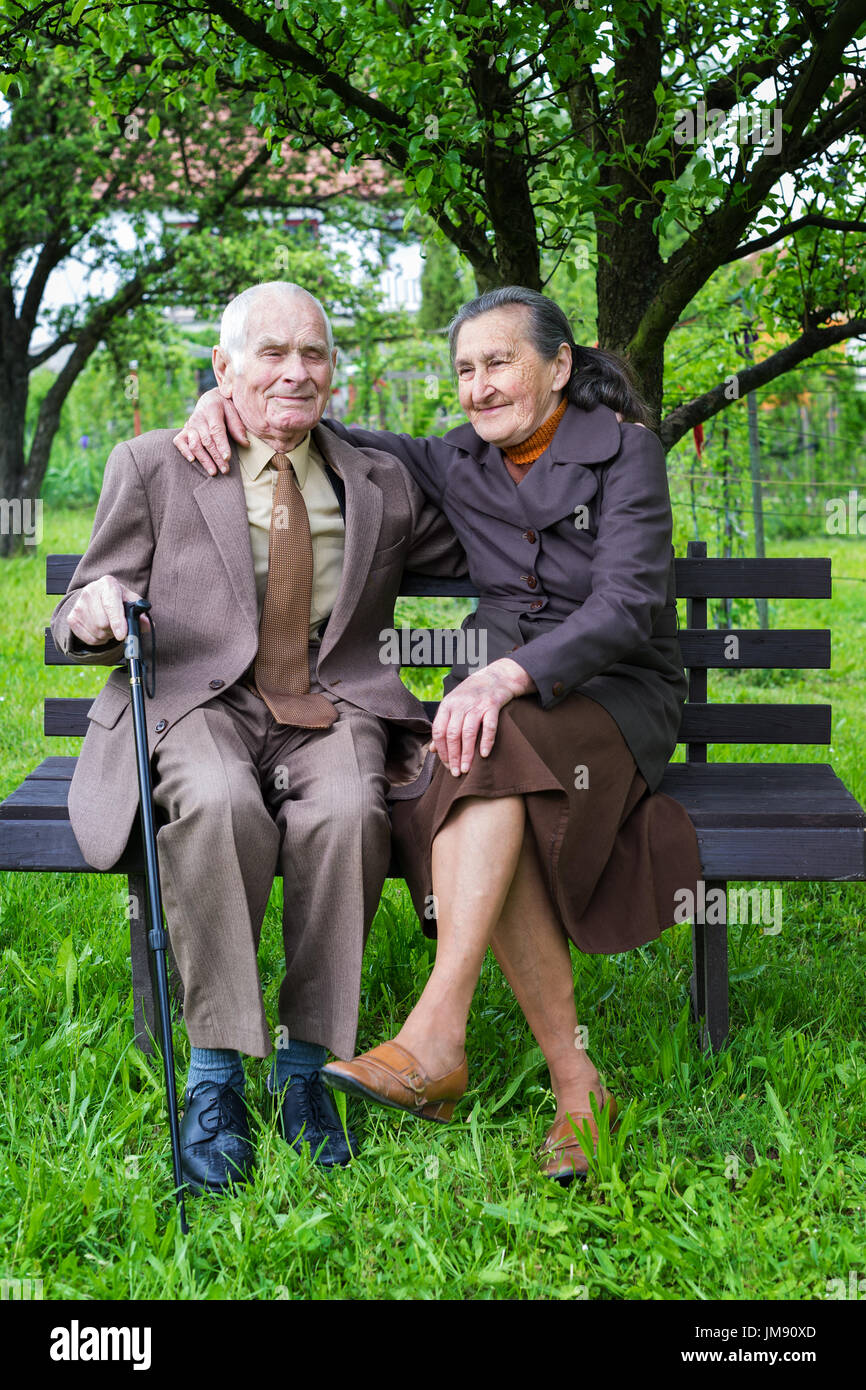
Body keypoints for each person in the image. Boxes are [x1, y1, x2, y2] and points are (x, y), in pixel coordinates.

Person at [176, 285, 702, 1183]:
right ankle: (578, 1090)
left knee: (476, 749)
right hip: (503, 716)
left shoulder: (626, 454)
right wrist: (217, 397)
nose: (480, 386)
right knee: (473, 759)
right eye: (465, 369)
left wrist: (505, 674)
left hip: (612, 697)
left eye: (500, 363)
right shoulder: (457, 461)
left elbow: (631, 603)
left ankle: (437, 1033)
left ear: (560, 366)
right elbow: (312, 426)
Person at [51, 281, 466, 1194]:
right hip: (198, 701)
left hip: (328, 704)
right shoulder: (155, 462)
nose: (295, 370)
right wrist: (95, 608)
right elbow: (77, 606)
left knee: (353, 808)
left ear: (332, 374)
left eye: (313, 354)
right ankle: (214, 1075)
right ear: (222, 368)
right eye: (270, 353)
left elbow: (491, 507)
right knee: (217, 800)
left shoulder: (377, 478)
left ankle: (310, 1066)